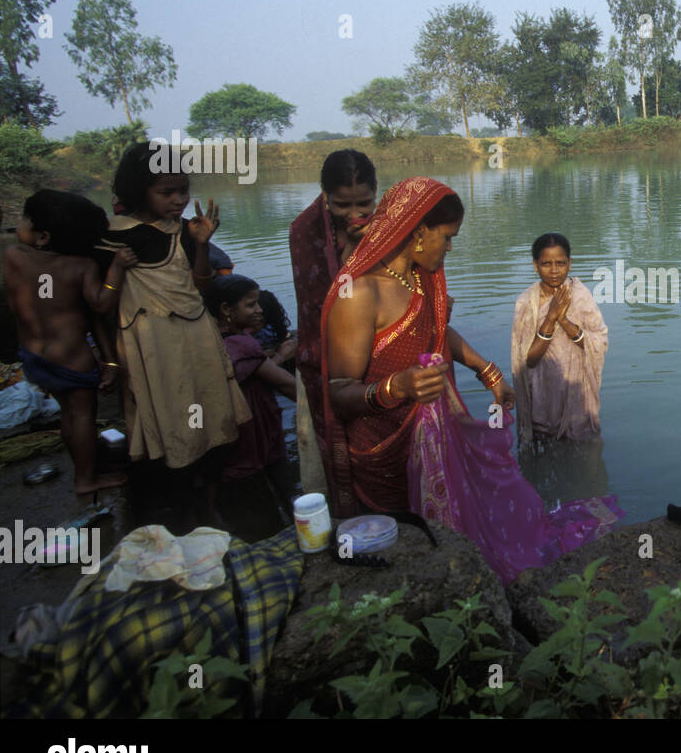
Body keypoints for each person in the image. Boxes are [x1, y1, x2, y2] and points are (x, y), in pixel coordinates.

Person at [322, 177, 512, 516]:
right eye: (448, 237)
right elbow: (338, 392)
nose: (450, 248)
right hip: (385, 448)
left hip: (429, 439)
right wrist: (398, 387)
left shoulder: (420, 279)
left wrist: (488, 372)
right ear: (420, 231)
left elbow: (436, 332)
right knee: (403, 539)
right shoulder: (361, 294)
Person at [94, 142, 251, 526]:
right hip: (152, 344)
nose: (178, 200)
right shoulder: (115, 236)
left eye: (183, 191)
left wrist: (201, 244)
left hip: (196, 337)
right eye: (166, 192)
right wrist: (111, 361)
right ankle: (178, 504)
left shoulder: (184, 230)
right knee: (167, 420)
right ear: (137, 190)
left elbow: (201, 285)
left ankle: (209, 502)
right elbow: (99, 307)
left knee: (211, 416)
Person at [3, 190, 136, 495]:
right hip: (72, 360)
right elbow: (101, 305)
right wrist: (116, 268)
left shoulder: (13, 256)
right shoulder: (80, 267)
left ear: (43, 236)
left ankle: (84, 466)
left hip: (34, 356)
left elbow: (43, 293)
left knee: (68, 414)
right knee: (82, 418)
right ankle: (86, 478)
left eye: (25, 219)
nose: (17, 224)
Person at [289, 149, 377, 497]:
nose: (354, 215)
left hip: (377, 354)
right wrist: (351, 254)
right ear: (325, 196)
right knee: (338, 462)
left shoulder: (387, 222)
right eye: (342, 206)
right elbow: (327, 304)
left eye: (364, 204)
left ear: (376, 193)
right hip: (325, 359)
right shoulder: (304, 231)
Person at [204, 274, 298, 534]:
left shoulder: (208, 340)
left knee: (253, 515)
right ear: (226, 310)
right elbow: (288, 386)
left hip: (230, 446)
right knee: (284, 503)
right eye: (251, 305)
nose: (259, 310)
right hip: (256, 441)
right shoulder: (242, 345)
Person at [510, 232, 608, 446]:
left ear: (570, 263)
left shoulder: (581, 296)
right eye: (546, 264)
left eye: (560, 263)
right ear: (535, 265)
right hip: (541, 400)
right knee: (543, 455)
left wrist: (563, 320)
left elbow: (598, 342)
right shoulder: (526, 303)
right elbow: (529, 359)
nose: (554, 271)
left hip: (577, 396)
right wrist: (551, 317)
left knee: (585, 460)